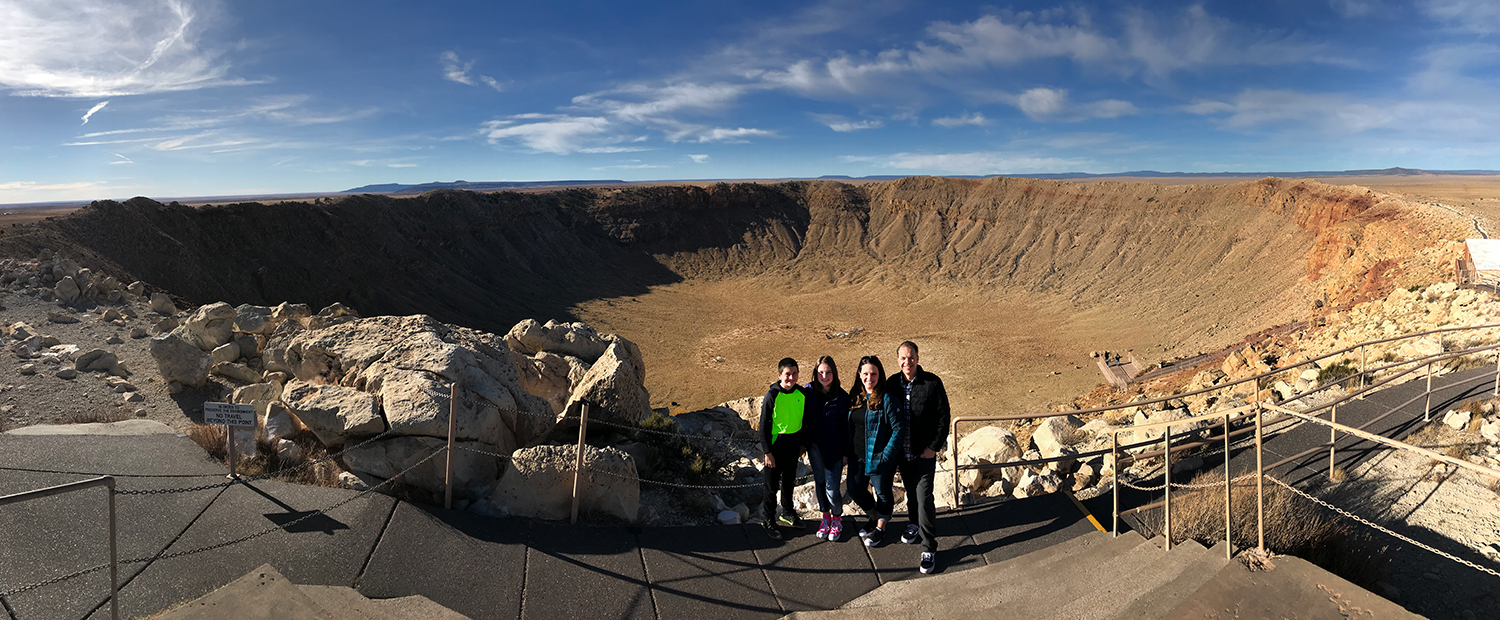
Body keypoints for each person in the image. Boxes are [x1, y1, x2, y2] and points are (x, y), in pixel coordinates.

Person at [887, 341, 950, 574]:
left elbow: (944, 417)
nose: (907, 362)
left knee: (924, 498)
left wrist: (933, 447)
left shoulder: (932, 383)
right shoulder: (892, 383)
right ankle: (914, 524)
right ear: (897, 360)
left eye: (911, 357)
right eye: (903, 358)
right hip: (902, 454)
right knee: (911, 494)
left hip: (924, 453)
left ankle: (929, 547)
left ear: (918, 358)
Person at [848, 355, 904, 547]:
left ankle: (881, 528)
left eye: (873, 374)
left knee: (882, 493)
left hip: (879, 457)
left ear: (880, 374)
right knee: (854, 488)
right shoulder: (856, 396)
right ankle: (873, 517)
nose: (869, 378)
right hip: (857, 456)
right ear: (859, 374)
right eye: (865, 374)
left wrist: (887, 455)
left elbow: (899, 429)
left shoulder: (887, 398)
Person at [758, 357, 810, 540]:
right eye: (787, 374)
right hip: (775, 447)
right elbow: (763, 425)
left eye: (795, 373)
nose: (791, 377)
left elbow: (804, 421)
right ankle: (768, 519)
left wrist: (802, 444)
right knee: (771, 487)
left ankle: (787, 513)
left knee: (789, 482)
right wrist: (767, 451)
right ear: (780, 375)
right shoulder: (772, 395)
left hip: (793, 445)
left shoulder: (801, 394)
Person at [804, 355, 850, 541]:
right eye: (821, 372)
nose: (824, 376)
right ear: (815, 373)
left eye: (828, 372)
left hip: (834, 450)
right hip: (814, 447)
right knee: (820, 484)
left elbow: (846, 427)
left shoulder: (842, 396)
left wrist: (846, 453)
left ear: (834, 373)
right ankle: (825, 517)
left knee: (832, 488)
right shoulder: (808, 391)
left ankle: (837, 518)